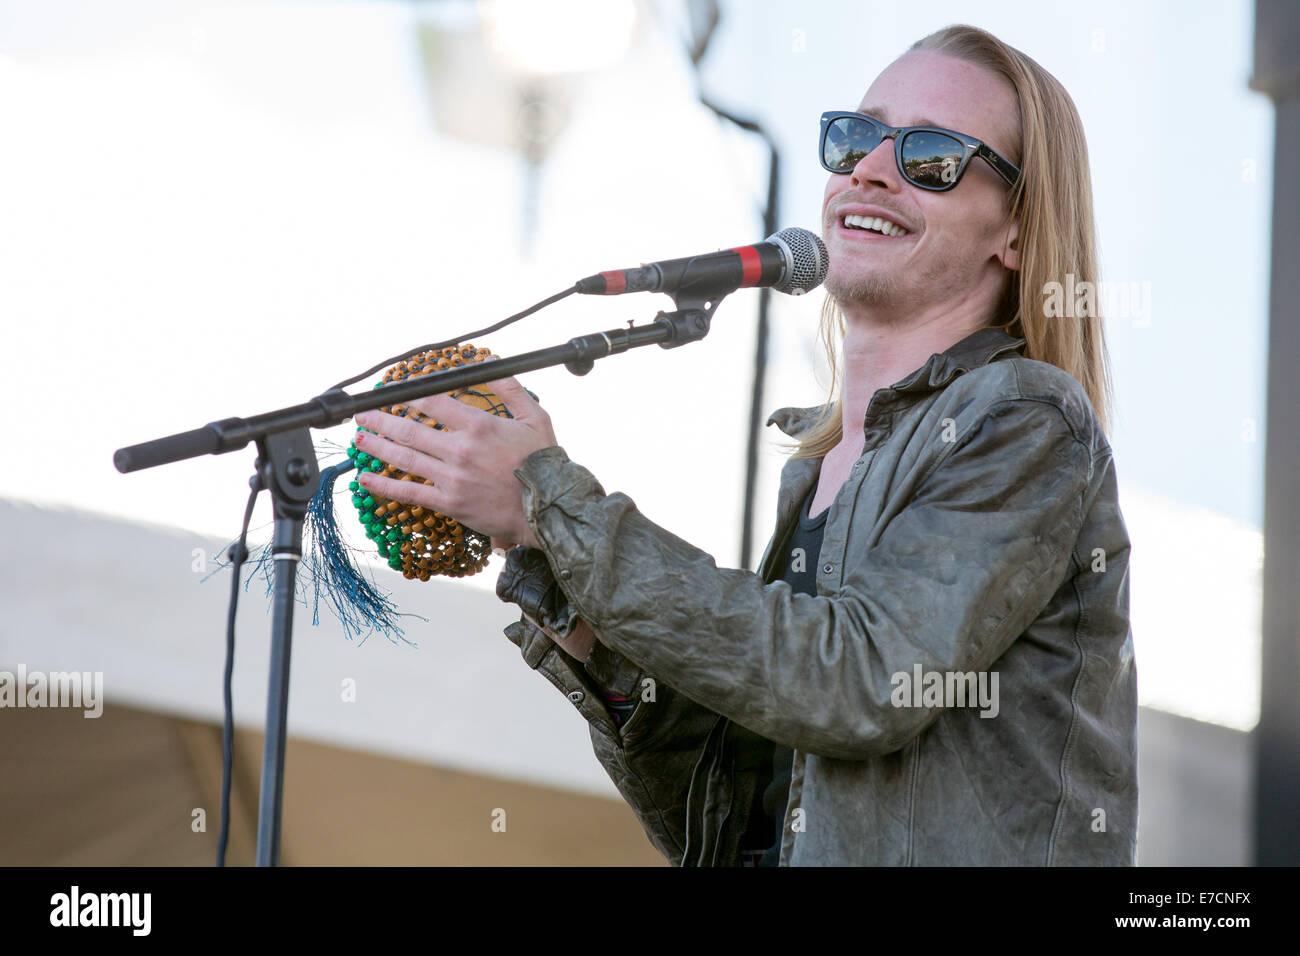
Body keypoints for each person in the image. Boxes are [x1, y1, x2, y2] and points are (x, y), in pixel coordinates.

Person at [351, 24, 1138, 866]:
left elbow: (861, 683)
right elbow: (721, 820)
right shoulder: (820, 470)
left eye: (932, 156)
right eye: (857, 137)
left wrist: (552, 506)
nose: (871, 168)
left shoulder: (1024, 418)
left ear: (1015, 233)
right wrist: (553, 567)